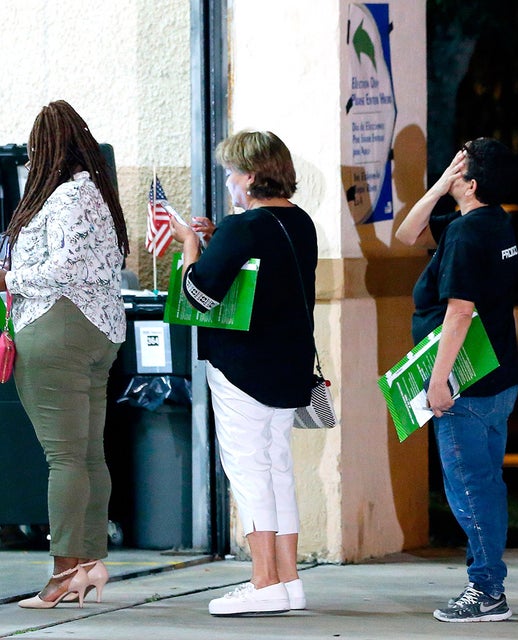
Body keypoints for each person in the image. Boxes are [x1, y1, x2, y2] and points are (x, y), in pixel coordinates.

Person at [168, 129, 318, 616]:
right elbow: (266, 272)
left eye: (231, 173)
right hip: (289, 366)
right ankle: (288, 579)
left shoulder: (243, 227)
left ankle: (263, 582)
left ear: (250, 177)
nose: (228, 182)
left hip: (242, 369)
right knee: (277, 469)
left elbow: (198, 295)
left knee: (249, 470)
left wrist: (191, 246)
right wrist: (217, 242)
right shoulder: (300, 222)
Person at [0, 100, 129, 609]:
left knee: (65, 459)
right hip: (98, 332)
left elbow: (62, 269)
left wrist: (8, 279)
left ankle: (62, 575)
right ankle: (89, 563)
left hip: (58, 330)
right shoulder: (95, 193)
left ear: (47, 149)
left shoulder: (68, 196)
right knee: (88, 453)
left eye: (35, 152)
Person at [395, 137, 518, 623]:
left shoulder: (468, 234)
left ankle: (486, 590)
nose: (451, 171)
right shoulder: (495, 222)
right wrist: (440, 187)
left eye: (459, 167)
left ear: (471, 184)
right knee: (487, 484)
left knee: (470, 490)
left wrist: (439, 380)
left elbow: (460, 311)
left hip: (467, 384)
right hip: (498, 375)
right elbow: (408, 233)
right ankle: (489, 584)